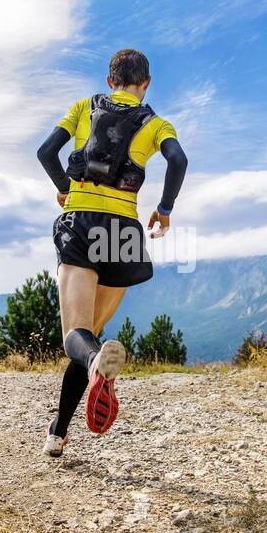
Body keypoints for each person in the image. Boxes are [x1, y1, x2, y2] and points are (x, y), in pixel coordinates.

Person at [35, 48, 188, 457]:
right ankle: (57, 433)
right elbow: (178, 159)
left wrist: (64, 188)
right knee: (90, 341)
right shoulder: (156, 123)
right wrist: (165, 209)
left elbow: (46, 152)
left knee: (76, 337)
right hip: (121, 233)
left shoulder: (83, 107)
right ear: (147, 84)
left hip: (81, 223)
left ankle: (82, 386)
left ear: (109, 80)